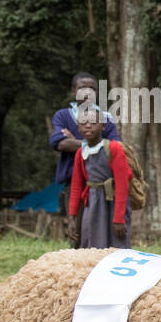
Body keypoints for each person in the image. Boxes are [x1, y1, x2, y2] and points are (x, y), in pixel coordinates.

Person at [50, 71, 120, 243]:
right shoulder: (63, 116)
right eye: (82, 88)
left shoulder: (106, 118)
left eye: (92, 88)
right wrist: (94, 143)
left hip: (104, 185)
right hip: (73, 184)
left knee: (103, 232)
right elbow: (59, 143)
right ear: (74, 91)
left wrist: (74, 141)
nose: (88, 92)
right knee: (77, 232)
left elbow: (115, 147)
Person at [67, 105, 131, 249]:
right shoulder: (80, 153)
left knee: (117, 242)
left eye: (93, 122)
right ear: (78, 128)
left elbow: (122, 184)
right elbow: (76, 187)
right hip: (92, 203)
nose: (88, 126)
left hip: (114, 202)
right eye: (83, 123)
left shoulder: (114, 148)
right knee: (91, 239)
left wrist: (119, 218)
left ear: (102, 125)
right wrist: (72, 216)